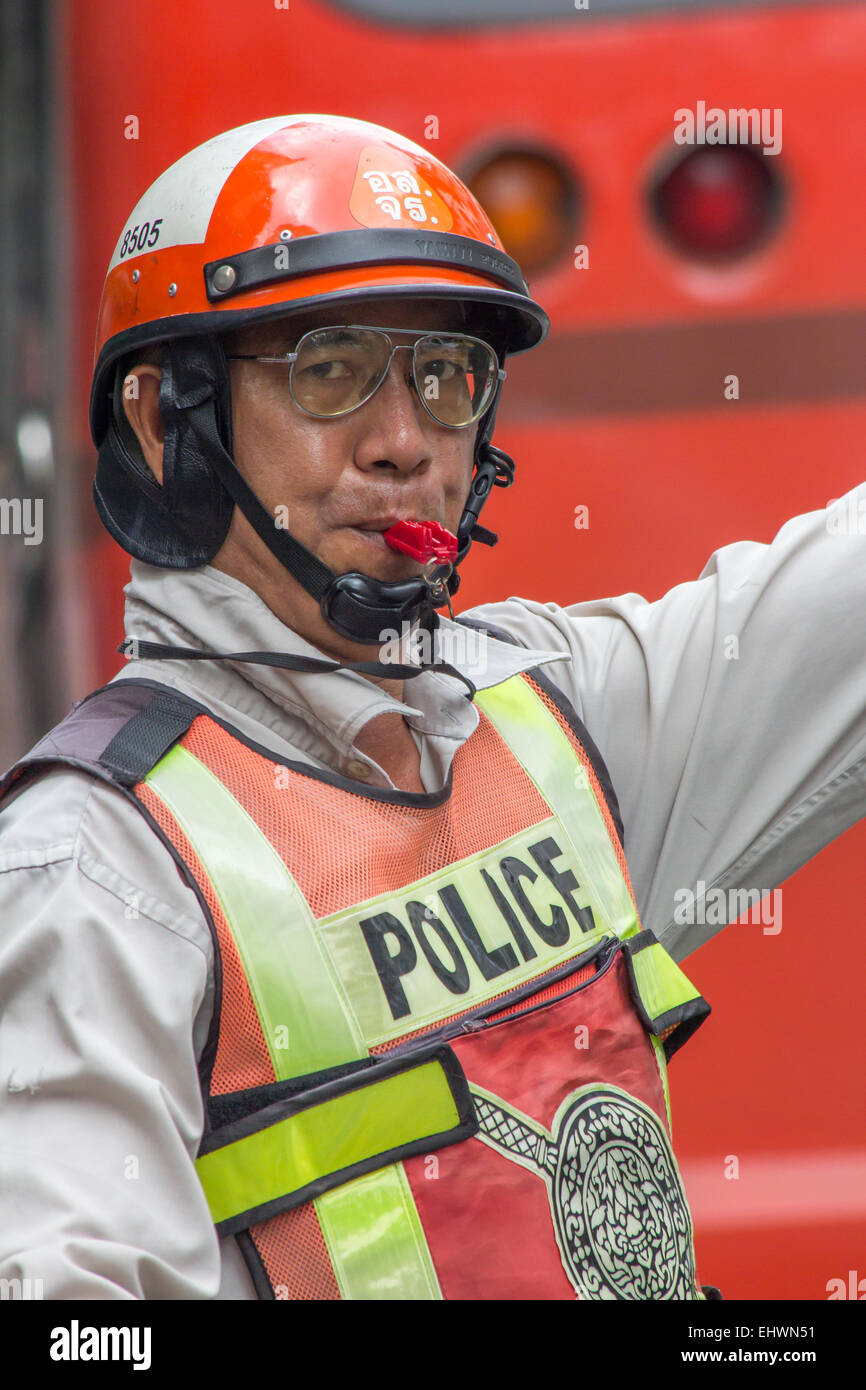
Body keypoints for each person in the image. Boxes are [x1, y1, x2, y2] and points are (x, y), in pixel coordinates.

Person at [0, 114, 863, 1302]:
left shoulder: (547, 716)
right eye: (330, 371)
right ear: (165, 423)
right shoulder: (95, 865)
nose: (405, 444)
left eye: (445, 378)